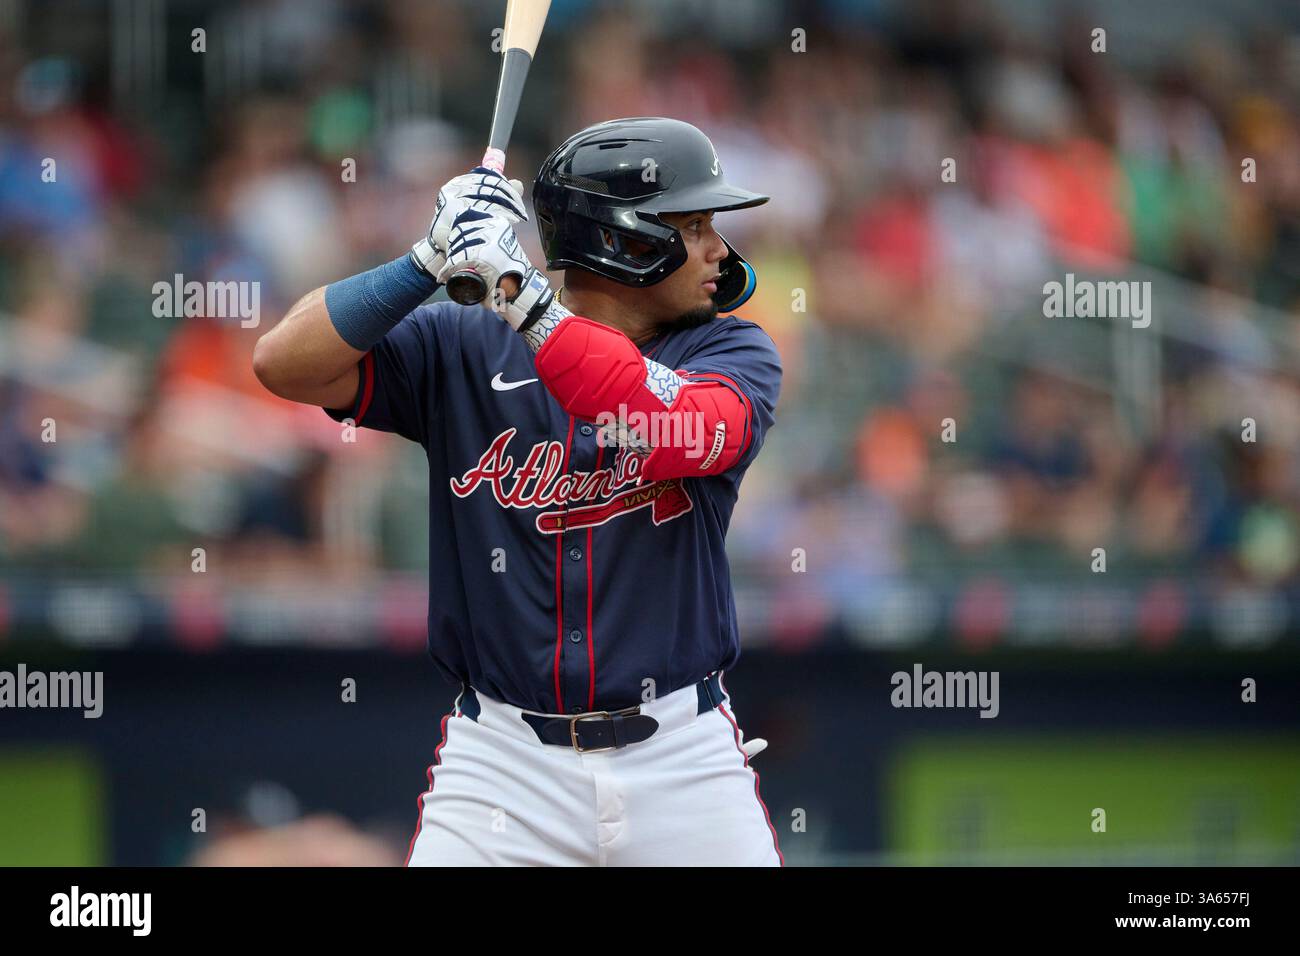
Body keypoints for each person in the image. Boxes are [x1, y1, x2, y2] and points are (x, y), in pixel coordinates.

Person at [253, 117, 783, 866]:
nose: (719, 251)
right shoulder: (463, 345)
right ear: (623, 240)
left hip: (682, 755)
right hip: (503, 763)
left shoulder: (729, 348)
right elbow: (283, 363)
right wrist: (422, 261)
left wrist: (519, 295)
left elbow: (678, 428)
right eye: (692, 226)